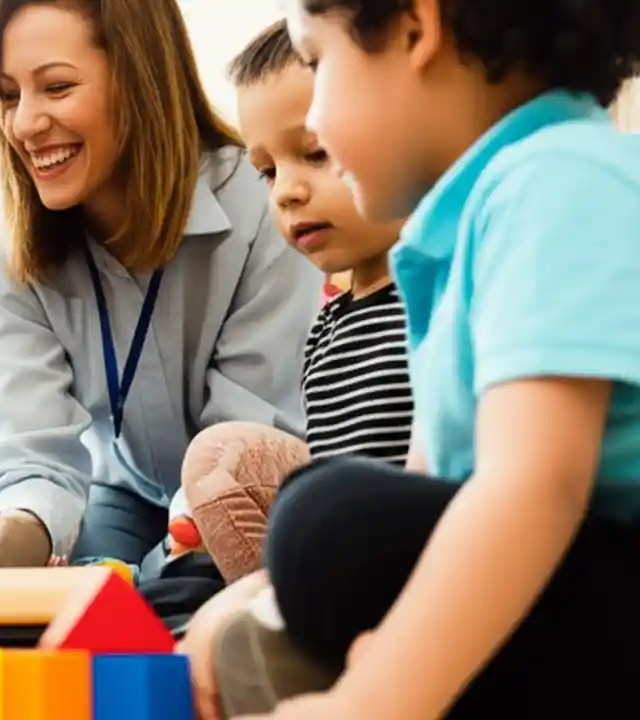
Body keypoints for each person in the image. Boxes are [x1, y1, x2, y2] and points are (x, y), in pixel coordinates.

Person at [219, 1, 640, 718]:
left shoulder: (558, 177)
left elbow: (535, 486)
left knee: (328, 521)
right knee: (322, 521)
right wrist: (254, 606)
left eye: (318, 64)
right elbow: (429, 485)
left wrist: (374, 701)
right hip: (574, 576)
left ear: (418, 30)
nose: (315, 118)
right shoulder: (457, 230)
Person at [0, 0, 322, 573]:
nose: (23, 123)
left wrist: (146, 575)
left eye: (56, 87)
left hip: (248, 491)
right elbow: (30, 453)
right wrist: (14, 539)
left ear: (139, 80)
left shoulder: (263, 201)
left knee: (172, 598)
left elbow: (245, 448)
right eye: (7, 95)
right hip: (120, 493)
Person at [175, 21, 412, 718]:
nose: (286, 192)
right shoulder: (329, 323)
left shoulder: (433, 293)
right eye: (268, 172)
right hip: (344, 566)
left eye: (314, 155)